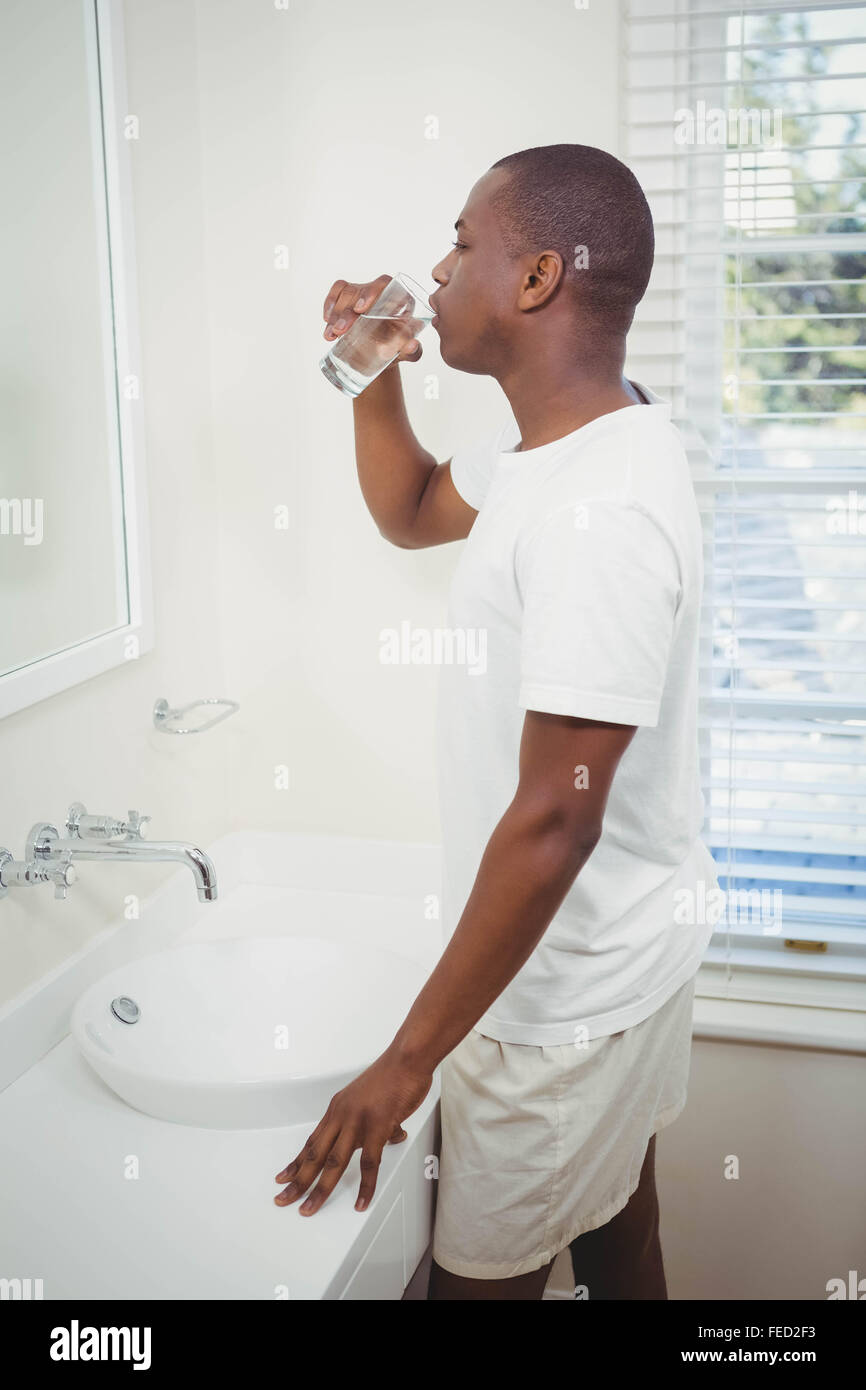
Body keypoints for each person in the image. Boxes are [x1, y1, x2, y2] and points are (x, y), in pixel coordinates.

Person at [274, 143, 719, 1301]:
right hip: (612, 957)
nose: (436, 265)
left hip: (561, 1010)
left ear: (532, 280)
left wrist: (402, 1063)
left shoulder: (597, 514)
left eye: (463, 241)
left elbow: (552, 825)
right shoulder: (573, 444)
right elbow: (415, 509)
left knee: (474, 1286)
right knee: (620, 1230)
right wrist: (365, 369)